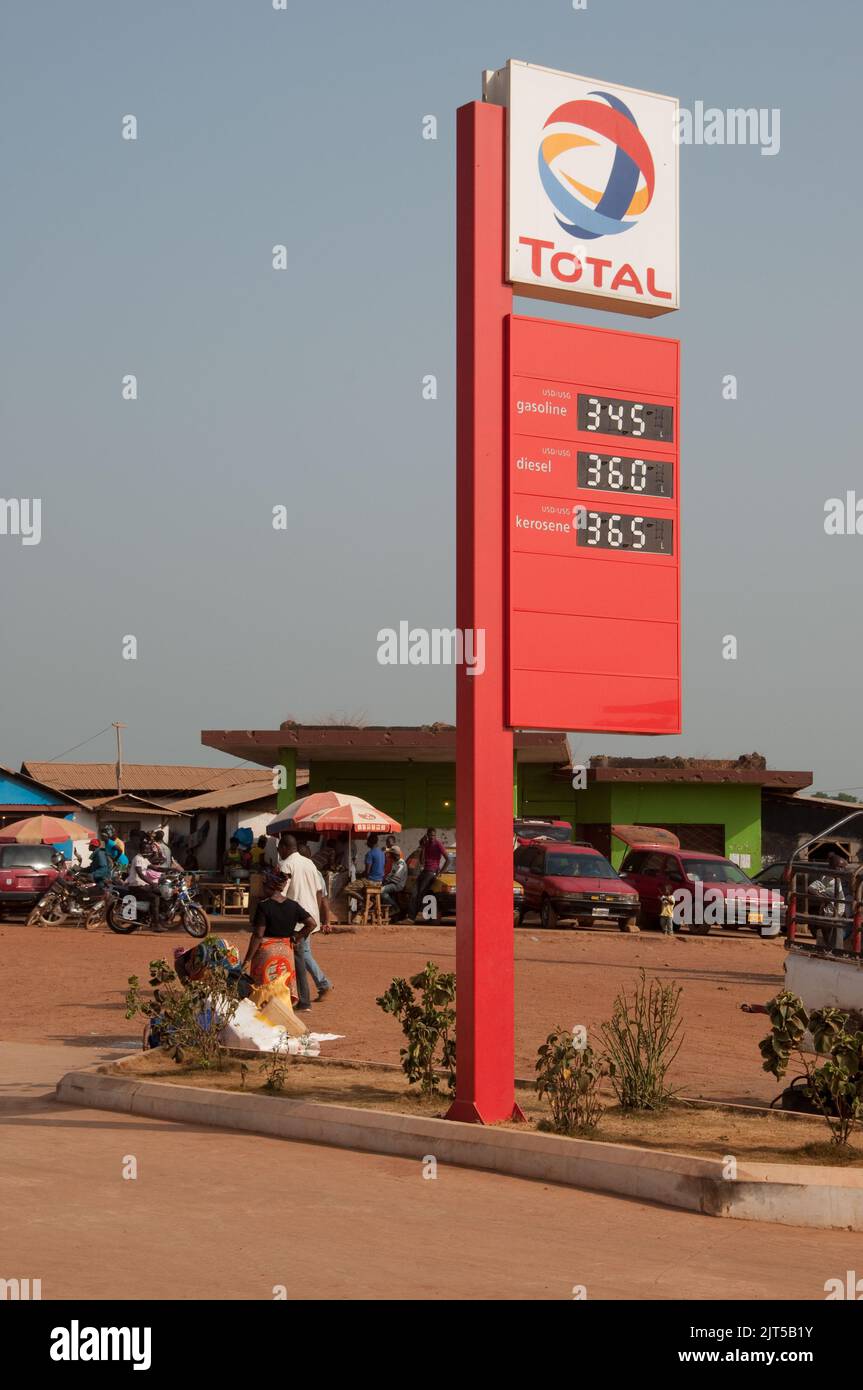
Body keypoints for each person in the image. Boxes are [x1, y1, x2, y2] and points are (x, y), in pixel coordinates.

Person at [243, 868, 316, 1011]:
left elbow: (258, 935)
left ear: (270, 885)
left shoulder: (264, 906)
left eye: (264, 884)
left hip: (266, 953)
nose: (262, 887)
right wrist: (297, 937)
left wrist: (247, 959)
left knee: (264, 990)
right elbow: (312, 923)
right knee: (282, 989)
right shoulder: (293, 905)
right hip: (286, 954)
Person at [283, 838, 333, 1000]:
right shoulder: (312, 868)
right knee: (303, 952)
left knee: (302, 954)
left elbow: (282, 893)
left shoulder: (288, 865)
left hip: (299, 918)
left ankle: (323, 984)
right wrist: (315, 915)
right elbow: (320, 895)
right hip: (309, 917)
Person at [125, 834, 163, 929]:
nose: (148, 851)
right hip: (136, 886)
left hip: (142, 885)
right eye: (146, 849)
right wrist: (152, 883)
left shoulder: (144, 859)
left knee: (159, 892)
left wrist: (171, 869)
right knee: (155, 897)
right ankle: (156, 924)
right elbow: (140, 874)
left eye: (149, 849)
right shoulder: (138, 859)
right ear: (140, 850)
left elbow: (155, 868)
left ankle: (150, 916)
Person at [410, 828, 448, 921]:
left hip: (431, 872)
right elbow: (422, 861)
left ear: (435, 835)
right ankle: (410, 916)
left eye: (433, 835)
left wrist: (440, 872)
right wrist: (422, 847)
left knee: (420, 894)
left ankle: (412, 917)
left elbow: (448, 859)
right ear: (427, 835)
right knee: (414, 893)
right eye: (430, 835)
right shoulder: (426, 845)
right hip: (424, 871)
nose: (432, 837)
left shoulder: (438, 844)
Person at [381, 845, 408, 921]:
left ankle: (395, 907)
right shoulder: (395, 862)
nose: (390, 855)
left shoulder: (401, 864)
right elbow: (391, 874)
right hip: (392, 883)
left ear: (395, 855)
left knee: (381, 891)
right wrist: (384, 880)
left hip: (398, 885)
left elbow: (396, 878)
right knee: (382, 890)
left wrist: (386, 882)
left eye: (391, 854)